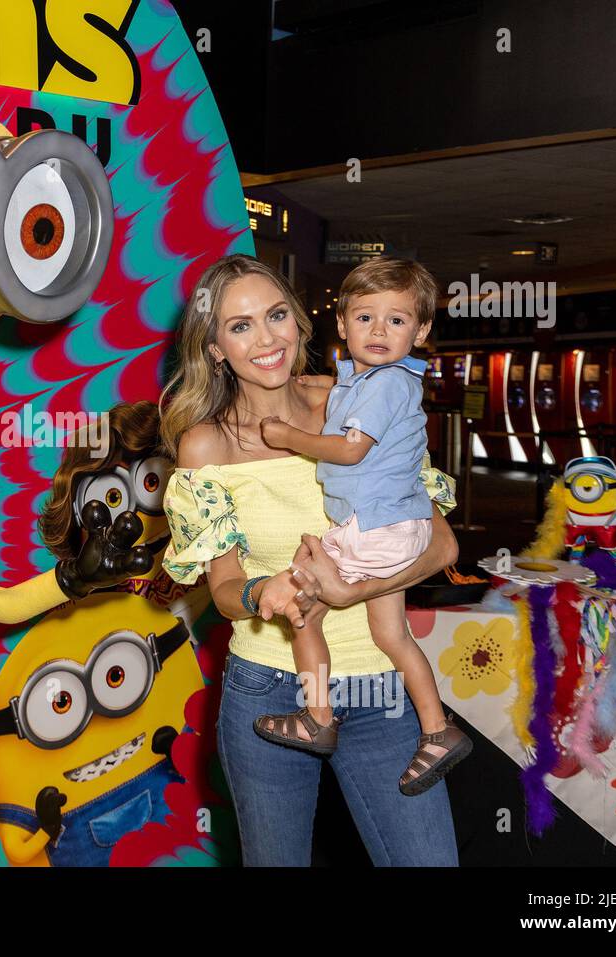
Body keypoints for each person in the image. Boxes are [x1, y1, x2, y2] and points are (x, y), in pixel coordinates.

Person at [158, 253, 460, 865]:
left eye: (276, 316)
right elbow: (223, 589)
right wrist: (260, 590)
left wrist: (351, 593)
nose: (266, 339)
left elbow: (443, 546)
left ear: (301, 324)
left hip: (381, 683)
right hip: (270, 693)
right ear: (215, 348)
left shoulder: (360, 400)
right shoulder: (205, 443)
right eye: (240, 326)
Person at [253, 257, 471, 796]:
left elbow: (351, 450)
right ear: (343, 324)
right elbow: (345, 387)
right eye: (365, 317)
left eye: (396, 321)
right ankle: (438, 730)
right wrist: (313, 380)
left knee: (302, 612)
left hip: (373, 528)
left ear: (420, 331)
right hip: (398, 524)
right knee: (391, 635)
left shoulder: (387, 385)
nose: (378, 331)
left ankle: (318, 717)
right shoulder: (370, 379)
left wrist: (288, 437)